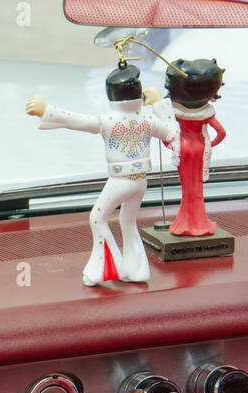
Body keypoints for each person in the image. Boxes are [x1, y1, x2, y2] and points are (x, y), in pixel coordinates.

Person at [26, 64, 180, 287]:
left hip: (120, 181)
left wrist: (47, 110)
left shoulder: (108, 120)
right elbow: (172, 132)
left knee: (97, 219)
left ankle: (107, 269)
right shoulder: (148, 120)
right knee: (128, 221)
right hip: (140, 182)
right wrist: (158, 102)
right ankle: (136, 270)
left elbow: (77, 120)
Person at [157, 58, 226, 236]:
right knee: (197, 188)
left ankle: (186, 223)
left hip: (183, 149)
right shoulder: (206, 114)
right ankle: (198, 223)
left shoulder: (177, 113)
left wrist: (172, 145)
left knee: (187, 187)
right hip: (200, 149)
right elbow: (221, 133)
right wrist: (210, 144)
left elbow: (164, 133)